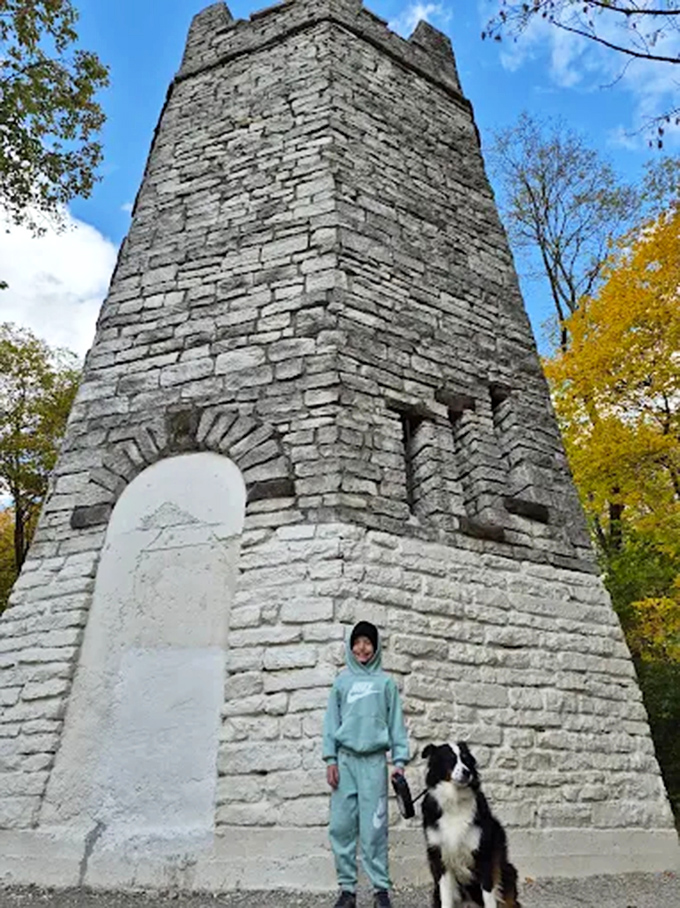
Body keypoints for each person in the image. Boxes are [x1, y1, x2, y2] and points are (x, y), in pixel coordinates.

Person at [322, 620, 410, 908]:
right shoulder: (341, 683)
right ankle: (347, 890)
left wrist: (399, 760)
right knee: (342, 826)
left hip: (374, 763)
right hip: (345, 762)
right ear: (350, 647)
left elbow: (396, 723)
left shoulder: (385, 683)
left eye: (368, 642)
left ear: (376, 646)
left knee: (374, 829)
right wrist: (330, 759)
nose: (362, 647)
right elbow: (330, 724)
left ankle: (380, 891)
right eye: (357, 642)